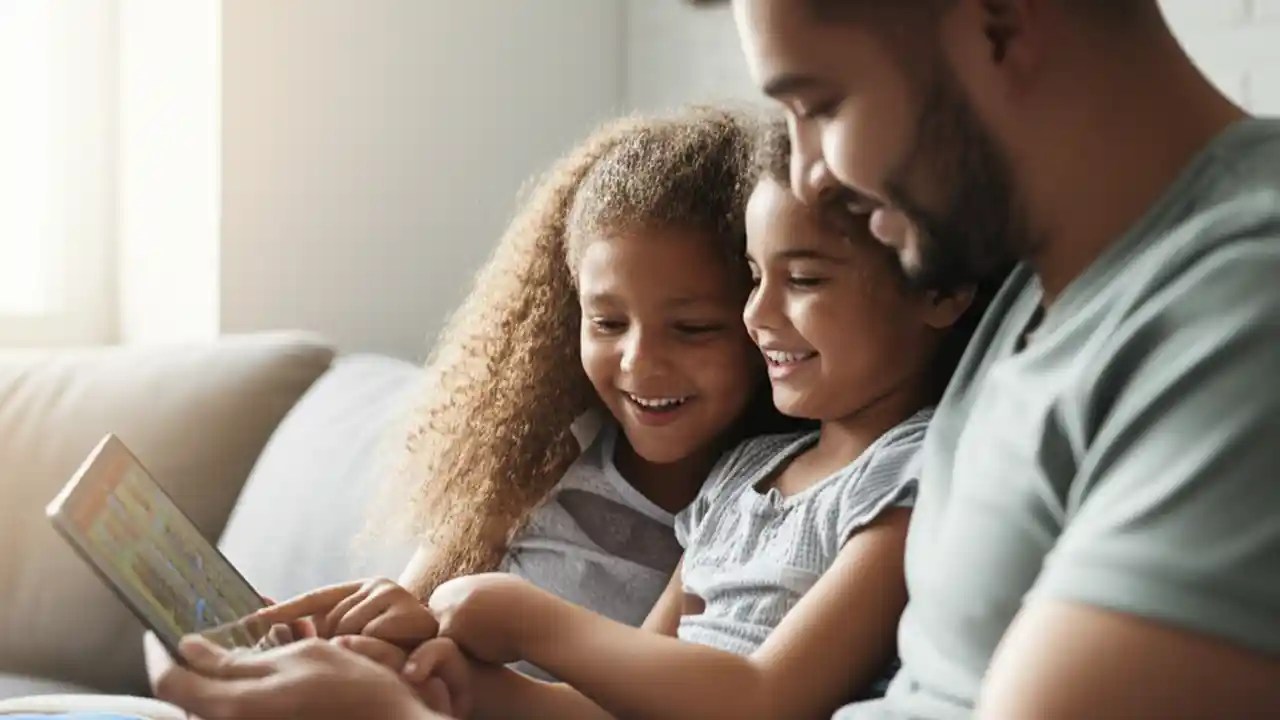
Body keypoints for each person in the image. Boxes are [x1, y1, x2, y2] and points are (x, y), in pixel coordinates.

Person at [722, 0, 1280, 718]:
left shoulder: (1245, 313)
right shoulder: (1041, 285)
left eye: (822, 106)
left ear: (1001, 27)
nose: (809, 176)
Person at [405, 119, 995, 719]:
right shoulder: (743, 473)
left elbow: (764, 699)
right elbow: (618, 707)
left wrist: (529, 622)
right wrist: (470, 686)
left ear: (940, 292)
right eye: (755, 278)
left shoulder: (913, 477)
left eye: (803, 280)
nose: (756, 313)